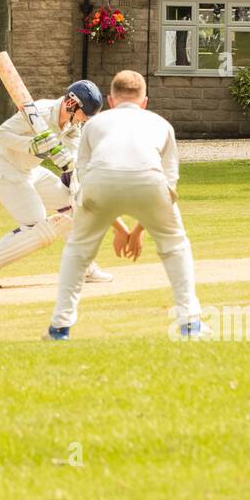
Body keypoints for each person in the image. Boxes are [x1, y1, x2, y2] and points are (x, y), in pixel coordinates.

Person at [45, 70, 206, 341]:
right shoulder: (161, 123)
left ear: (110, 100)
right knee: (174, 246)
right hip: (150, 184)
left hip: (99, 184)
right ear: (144, 101)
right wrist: (138, 230)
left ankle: (59, 329)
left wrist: (119, 228)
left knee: (78, 251)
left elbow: (83, 178)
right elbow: (169, 184)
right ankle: (190, 324)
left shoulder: (94, 125)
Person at [0, 79, 118, 288]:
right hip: (2, 169)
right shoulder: (38, 112)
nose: (83, 120)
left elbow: (75, 156)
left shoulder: (72, 125)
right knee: (37, 224)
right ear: (72, 104)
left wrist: (69, 166)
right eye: (83, 114)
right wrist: (31, 145)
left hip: (31, 170)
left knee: (72, 205)